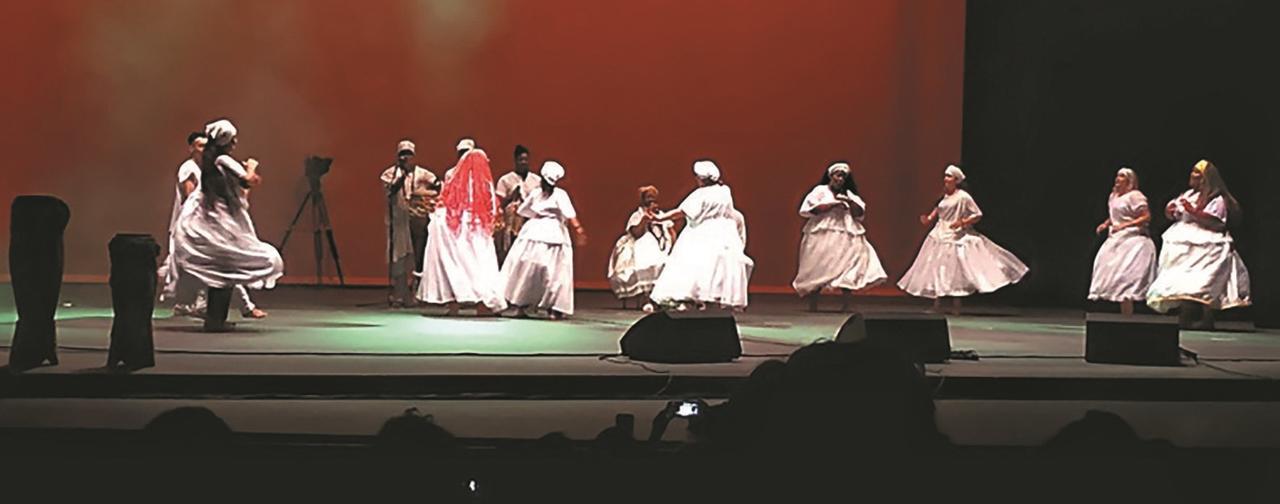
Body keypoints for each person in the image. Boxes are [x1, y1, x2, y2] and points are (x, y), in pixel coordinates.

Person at [172, 119, 284, 331]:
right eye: (232, 139)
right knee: (229, 260)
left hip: (214, 217)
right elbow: (248, 180)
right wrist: (252, 166)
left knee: (223, 265)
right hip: (221, 219)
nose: (235, 142)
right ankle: (215, 319)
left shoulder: (210, 159)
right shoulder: (223, 159)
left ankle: (215, 319)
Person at [159, 132, 266, 320]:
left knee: (216, 264)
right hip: (196, 224)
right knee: (212, 263)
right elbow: (189, 196)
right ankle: (211, 306)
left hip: (205, 223)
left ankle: (196, 305)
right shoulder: (193, 167)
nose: (202, 150)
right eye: (199, 146)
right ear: (191, 148)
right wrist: (251, 166)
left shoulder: (211, 166)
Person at [898, 164, 1028, 314]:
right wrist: (927, 219)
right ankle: (936, 305)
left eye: (949, 176)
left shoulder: (963, 197)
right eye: (945, 176)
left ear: (956, 180)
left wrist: (963, 222)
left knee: (956, 271)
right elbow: (936, 212)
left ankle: (956, 307)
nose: (945, 179)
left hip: (955, 235)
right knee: (937, 269)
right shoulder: (944, 196)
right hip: (939, 234)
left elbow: (977, 214)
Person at [1147, 159, 1251, 329]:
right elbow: (1177, 214)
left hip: (1206, 242)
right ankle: (1185, 316)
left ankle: (1207, 318)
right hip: (1183, 241)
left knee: (1204, 280)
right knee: (1184, 280)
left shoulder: (1216, 199)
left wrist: (1194, 212)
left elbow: (1216, 221)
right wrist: (1171, 212)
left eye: (1196, 172)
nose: (1192, 175)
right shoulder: (1188, 195)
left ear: (1205, 178)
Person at [417, 139, 508, 316]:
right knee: (474, 263)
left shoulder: (462, 179)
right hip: (471, 228)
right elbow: (491, 207)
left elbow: (446, 202)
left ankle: (464, 304)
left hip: (460, 228)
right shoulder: (465, 178)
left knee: (455, 262)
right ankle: (473, 304)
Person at [649, 160, 753, 311]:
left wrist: (660, 218)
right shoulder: (724, 191)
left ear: (701, 178)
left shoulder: (700, 194)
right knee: (715, 268)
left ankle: (692, 299)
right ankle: (710, 301)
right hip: (723, 233)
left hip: (703, 232)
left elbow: (681, 212)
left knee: (695, 264)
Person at [792, 162, 888, 312]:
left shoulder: (850, 195)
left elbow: (859, 213)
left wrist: (849, 202)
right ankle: (813, 303)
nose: (840, 179)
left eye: (844, 176)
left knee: (848, 265)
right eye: (838, 175)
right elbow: (811, 209)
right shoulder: (820, 191)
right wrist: (834, 204)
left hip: (845, 233)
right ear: (831, 176)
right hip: (823, 233)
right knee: (818, 266)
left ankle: (846, 304)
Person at [499, 161, 587, 319]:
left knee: (537, 270)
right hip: (543, 233)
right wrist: (578, 229)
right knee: (545, 271)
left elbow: (524, 210)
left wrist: (578, 228)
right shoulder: (545, 193)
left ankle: (535, 304)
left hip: (543, 233)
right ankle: (539, 306)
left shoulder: (550, 194)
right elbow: (569, 215)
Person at [1088, 167, 1157, 315]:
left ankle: (1130, 314)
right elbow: (1114, 215)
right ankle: (1124, 314)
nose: (1117, 179)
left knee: (1127, 276)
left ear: (1129, 180)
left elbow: (1146, 217)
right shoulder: (1113, 196)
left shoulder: (1135, 196)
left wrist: (1126, 225)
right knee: (1112, 274)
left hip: (1133, 240)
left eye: (1122, 176)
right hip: (1116, 238)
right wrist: (1106, 224)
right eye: (1117, 176)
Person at [380, 139, 439, 307]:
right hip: (397, 222)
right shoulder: (389, 174)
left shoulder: (422, 173)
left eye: (409, 154)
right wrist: (402, 176)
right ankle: (399, 294)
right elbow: (390, 191)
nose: (406, 158)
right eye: (403, 154)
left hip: (416, 221)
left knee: (416, 257)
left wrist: (425, 193)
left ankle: (415, 294)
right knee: (398, 257)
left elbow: (439, 184)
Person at [607, 186, 676, 307]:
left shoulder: (662, 215)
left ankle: (663, 299)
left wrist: (674, 246)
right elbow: (635, 233)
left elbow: (671, 231)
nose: (651, 199)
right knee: (648, 260)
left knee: (668, 263)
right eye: (648, 196)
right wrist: (645, 219)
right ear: (643, 199)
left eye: (653, 197)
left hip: (663, 244)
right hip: (643, 242)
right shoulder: (637, 215)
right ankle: (647, 298)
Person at [494, 144, 543, 264]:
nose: (524, 162)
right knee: (510, 254)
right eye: (521, 160)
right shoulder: (505, 180)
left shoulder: (536, 180)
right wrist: (511, 196)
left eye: (526, 160)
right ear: (515, 161)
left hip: (529, 223)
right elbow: (498, 204)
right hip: (511, 224)